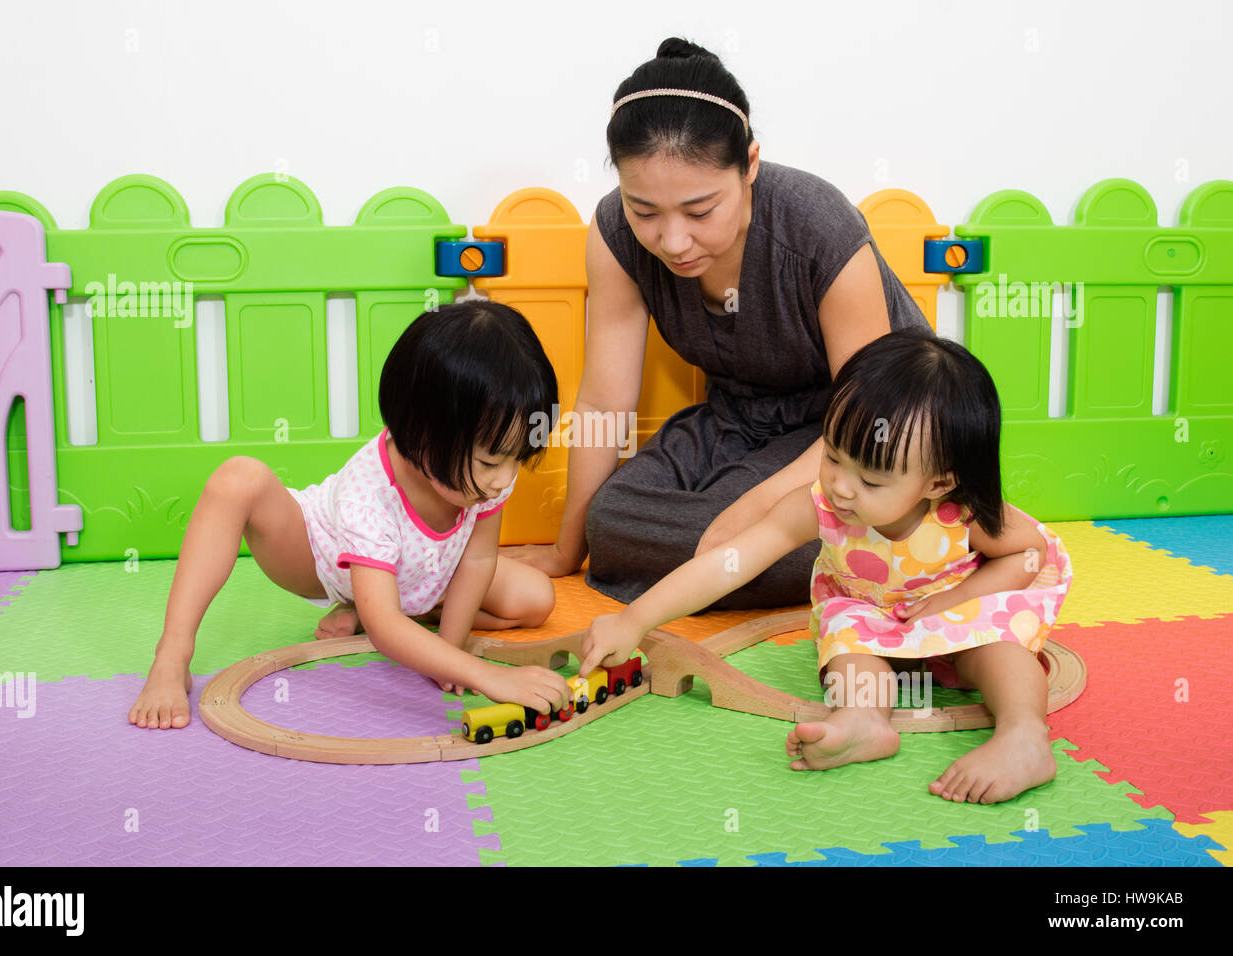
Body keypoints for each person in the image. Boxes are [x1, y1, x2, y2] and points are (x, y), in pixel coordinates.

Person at [503, 37, 932, 609]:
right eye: (644, 211)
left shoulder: (817, 224)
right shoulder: (613, 232)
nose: (672, 242)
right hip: (738, 420)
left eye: (701, 211)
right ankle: (816, 557)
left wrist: (752, 516)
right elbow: (604, 402)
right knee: (610, 520)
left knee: (754, 526)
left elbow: (868, 416)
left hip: (857, 438)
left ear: (749, 164)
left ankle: (852, 543)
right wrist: (566, 550)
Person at [578, 329, 1074, 804]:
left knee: (999, 643)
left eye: (871, 482)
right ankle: (863, 719)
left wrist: (955, 599)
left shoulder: (962, 513)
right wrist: (634, 618)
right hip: (873, 614)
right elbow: (729, 565)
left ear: (938, 484)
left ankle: (1024, 737)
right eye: (833, 457)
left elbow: (1026, 555)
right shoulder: (816, 507)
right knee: (846, 636)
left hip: (959, 607)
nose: (841, 487)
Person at [129, 301, 571, 730]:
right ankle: (171, 654)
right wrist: (484, 673)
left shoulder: (488, 471)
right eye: (492, 462)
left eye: (518, 456)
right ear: (422, 436)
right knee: (237, 479)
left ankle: (411, 615)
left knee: (536, 599)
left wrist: (450, 653)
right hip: (322, 556)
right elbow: (383, 632)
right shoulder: (372, 493)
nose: (505, 478)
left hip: (422, 572)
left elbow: (475, 560)